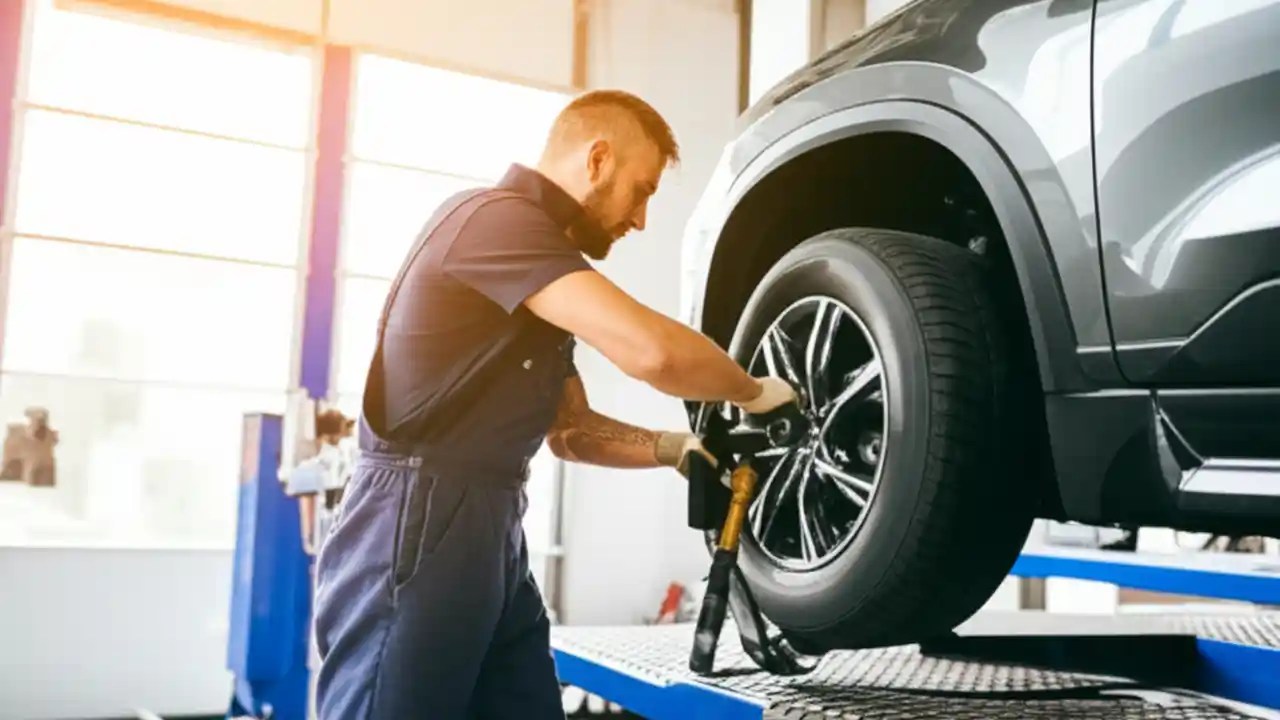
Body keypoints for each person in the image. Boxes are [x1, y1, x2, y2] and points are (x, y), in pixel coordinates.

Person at [311, 89, 797, 720]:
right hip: (413, 520)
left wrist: (675, 449)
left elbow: (571, 432)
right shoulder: (494, 222)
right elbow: (652, 352)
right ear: (597, 160)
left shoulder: (541, 273)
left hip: (492, 527)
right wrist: (754, 390)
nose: (641, 218)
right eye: (642, 190)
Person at [283, 408, 356, 555]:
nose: (347, 435)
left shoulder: (339, 458)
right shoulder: (318, 464)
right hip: (327, 531)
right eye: (342, 431)